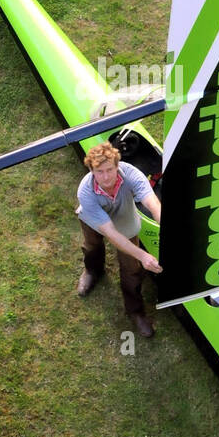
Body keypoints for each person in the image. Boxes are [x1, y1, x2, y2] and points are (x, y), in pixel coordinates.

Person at [75, 141, 162, 337]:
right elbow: (111, 234)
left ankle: (135, 311)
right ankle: (92, 271)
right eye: (99, 172)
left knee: (132, 268)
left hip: (124, 218)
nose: (105, 177)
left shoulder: (131, 174)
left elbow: (152, 203)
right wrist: (144, 255)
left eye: (109, 170)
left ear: (117, 166)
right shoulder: (85, 192)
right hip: (94, 218)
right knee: (92, 246)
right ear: (91, 171)